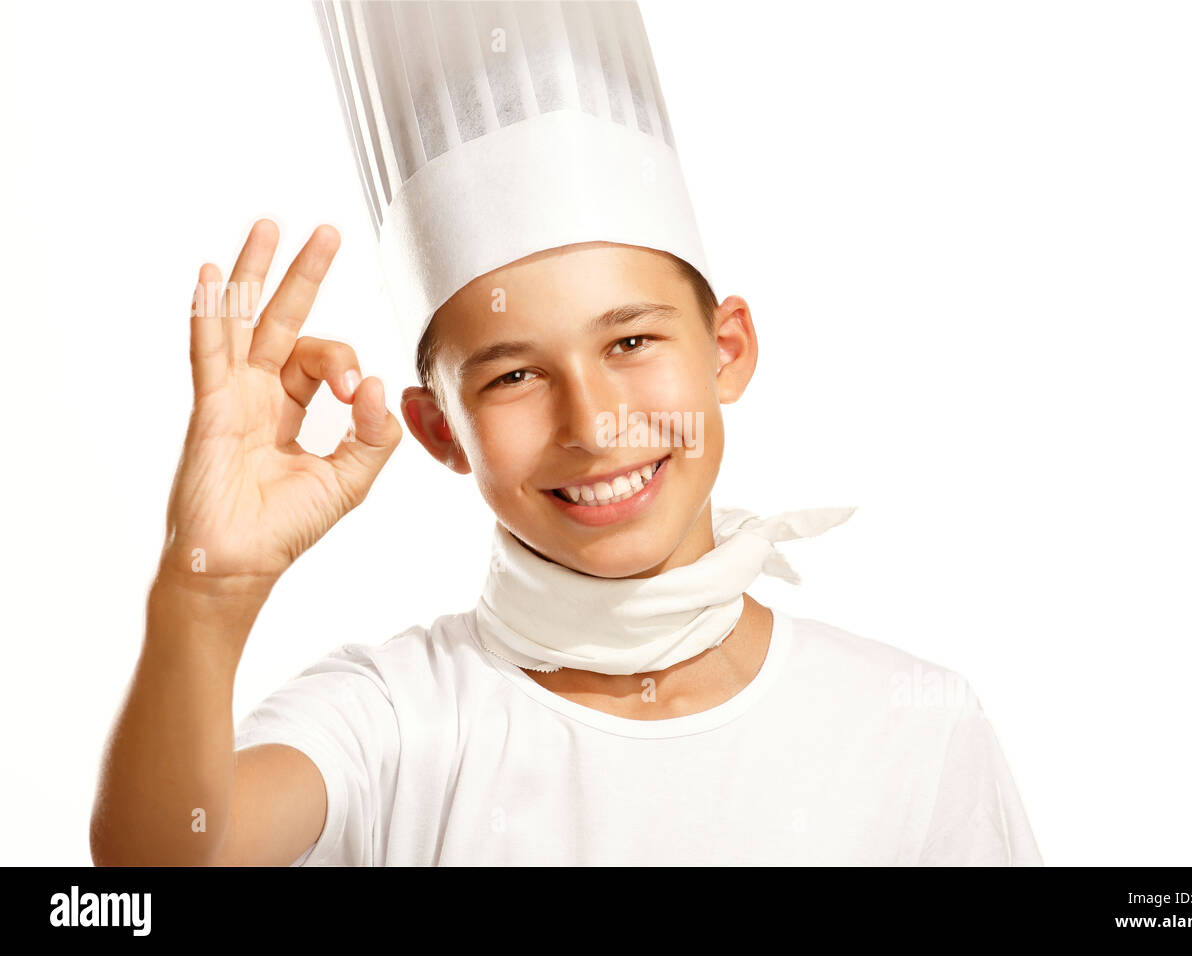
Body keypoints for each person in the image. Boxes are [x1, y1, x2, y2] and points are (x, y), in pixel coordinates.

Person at [89, 0, 1043, 866]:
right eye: (512, 374)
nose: (594, 425)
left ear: (729, 349)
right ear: (437, 430)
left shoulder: (914, 730)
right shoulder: (392, 723)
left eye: (630, 340)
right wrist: (203, 592)